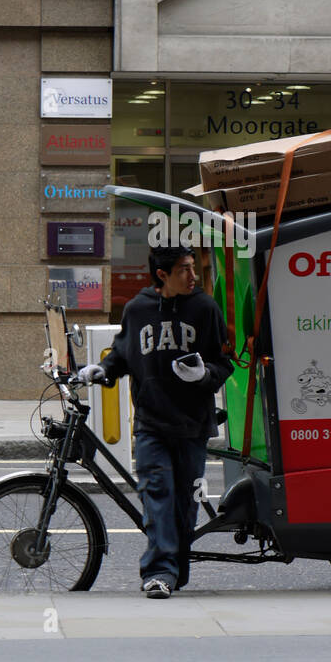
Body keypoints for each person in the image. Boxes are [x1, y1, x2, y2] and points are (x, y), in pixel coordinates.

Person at [78, 244, 234, 599]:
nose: (193, 277)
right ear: (162, 275)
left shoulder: (205, 308)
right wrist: (101, 370)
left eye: (194, 268)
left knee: (184, 504)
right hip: (151, 423)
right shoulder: (138, 310)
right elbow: (121, 354)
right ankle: (159, 572)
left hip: (193, 425)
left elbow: (224, 362)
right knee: (157, 495)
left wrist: (204, 375)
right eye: (184, 270)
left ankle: (174, 570)